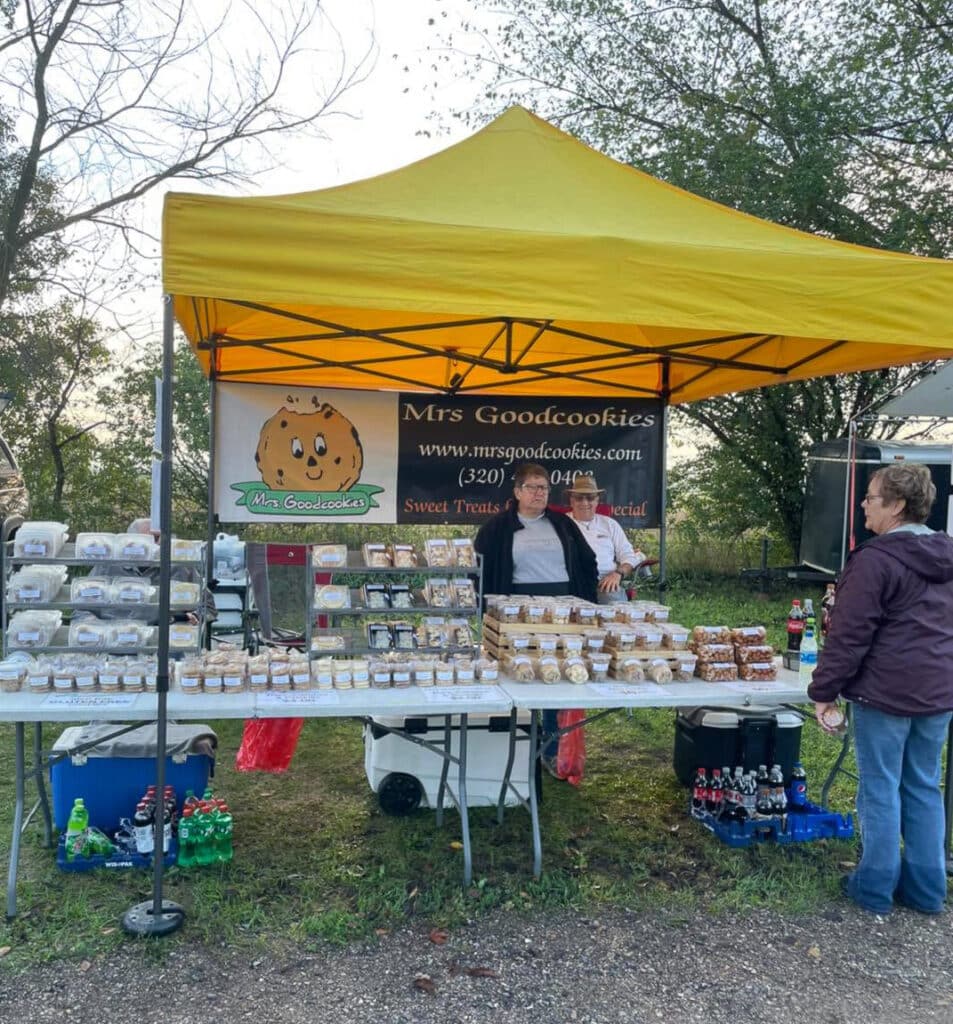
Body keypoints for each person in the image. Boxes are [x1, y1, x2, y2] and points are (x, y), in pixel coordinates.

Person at [807, 464, 953, 916]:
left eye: (871, 497)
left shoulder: (875, 560)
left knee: (880, 787)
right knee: (924, 785)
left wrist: (823, 691)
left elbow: (849, 635)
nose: (864, 505)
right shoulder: (948, 553)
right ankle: (928, 890)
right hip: (937, 690)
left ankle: (874, 887)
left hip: (886, 691)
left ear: (897, 506)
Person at [475, 463, 597, 777]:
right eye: (532, 487)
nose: (539, 493)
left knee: (554, 673)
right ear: (517, 492)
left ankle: (552, 750)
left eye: (543, 487)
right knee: (519, 673)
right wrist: (488, 610)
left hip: (561, 614)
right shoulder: (497, 527)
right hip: (516, 612)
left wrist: (586, 603)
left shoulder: (562, 523)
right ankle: (514, 746)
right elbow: (479, 568)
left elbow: (587, 561)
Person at [564, 474, 644, 604]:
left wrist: (618, 574)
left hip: (605, 581)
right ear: (571, 500)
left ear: (597, 500)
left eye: (590, 498)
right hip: (571, 581)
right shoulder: (561, 523)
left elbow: (629, 556)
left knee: (614, 609)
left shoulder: (610, 524)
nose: (585, 502)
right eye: (579, 498)